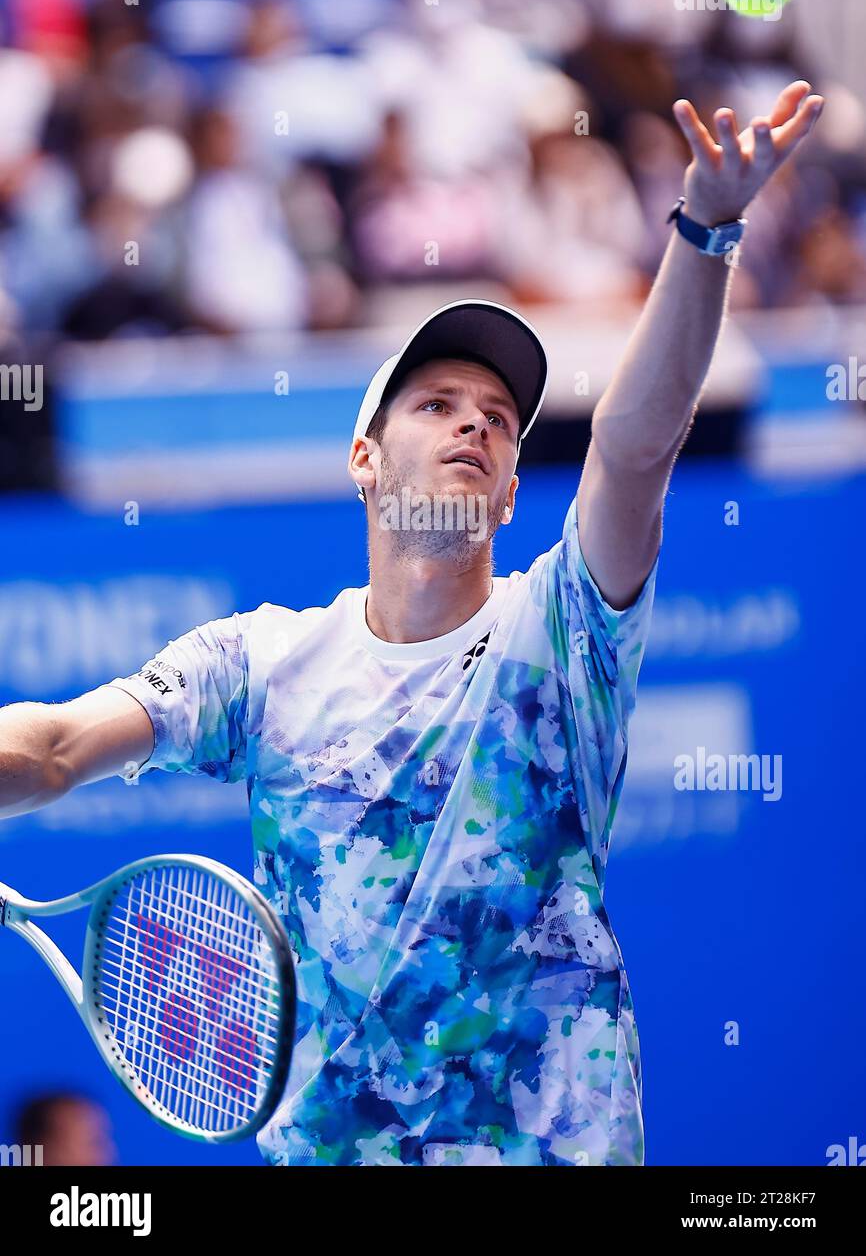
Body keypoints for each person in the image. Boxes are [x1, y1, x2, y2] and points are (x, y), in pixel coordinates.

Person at [0, 80, 824, 1165]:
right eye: (435, 405)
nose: (473, 426)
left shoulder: (560, 635)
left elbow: (633, 445)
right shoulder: (260, 662)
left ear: (510, 491)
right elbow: (54, 747)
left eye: (495, 420)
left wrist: (706, 228)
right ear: (363, 458)